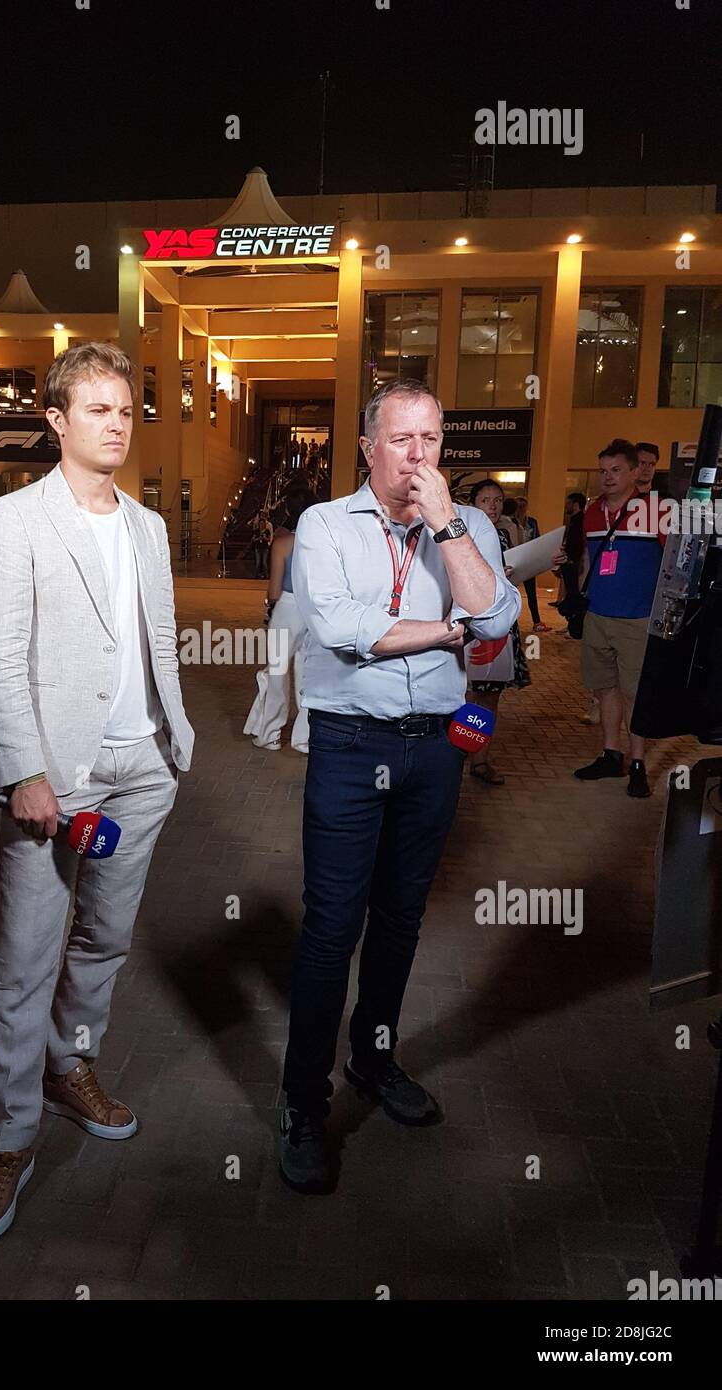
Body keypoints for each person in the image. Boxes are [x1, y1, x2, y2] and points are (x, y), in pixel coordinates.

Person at [0, 342, 194, 1245]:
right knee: (23, 960)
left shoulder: (148, 526)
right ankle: (9, 1138)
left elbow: (161, 639)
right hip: (56, 778)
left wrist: (173, 744)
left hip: (141, 773)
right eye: (96, 410)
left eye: (125, 410)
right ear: (56, 421)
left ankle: (73, 1066)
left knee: (103, 941)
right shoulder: (17, 519)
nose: (115, 425)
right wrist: (25, 770)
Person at [280, 378, 520, 1193]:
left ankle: (372, 1059)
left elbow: (499, 619)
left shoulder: (470, 525)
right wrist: (452, 629)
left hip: (439, 747)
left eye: (432, 439)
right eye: (403, 439)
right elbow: (343, 629)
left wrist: (448, 523)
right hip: (349, 745)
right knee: (330, 929)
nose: (420, 455)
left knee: (401, 919)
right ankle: (301, 1103)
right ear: (367, 446)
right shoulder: (323, 525)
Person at [573, 439, 665, 798]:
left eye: (616, 470)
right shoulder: (592, 514)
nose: (607, 478)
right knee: (604, 689)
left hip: (637, 619)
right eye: (603, 471)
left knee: (634, 693)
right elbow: (587, 561)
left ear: (634, 472)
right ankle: (611, 755)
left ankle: (637, 762)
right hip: (598, 615)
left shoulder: (656, 511)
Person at [465, 480, 532, 786]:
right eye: (485, 500)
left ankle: (480, 759)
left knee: (491, 696)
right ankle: (457, 753)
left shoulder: (509, 533)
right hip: (469, 624)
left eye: (497, 500)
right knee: (467, 695)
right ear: (472, 504)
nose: (492, 505)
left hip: (502, 624)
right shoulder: (461, 534)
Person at [243, 489, 315, 753]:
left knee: (276, 671)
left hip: (287, 607)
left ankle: (271, 734)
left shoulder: (283, 543)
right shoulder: (323, 542)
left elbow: (274, 591)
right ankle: (304, 739)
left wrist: (270, 609)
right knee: (308, 674)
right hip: (315, 609)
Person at [514, 496, 547, 632]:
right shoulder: (510, 522)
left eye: (523, 505)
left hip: (529, 560)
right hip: (515, 560)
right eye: (519, 505)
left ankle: (536, 621)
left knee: (531, 593)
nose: (521, 508)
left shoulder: (532, 522)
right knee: (512, 594)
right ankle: (511, 623)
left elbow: (537, 538)